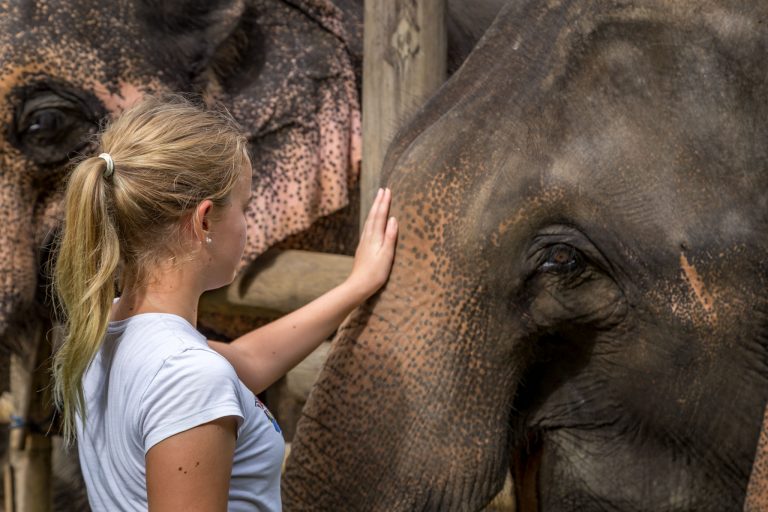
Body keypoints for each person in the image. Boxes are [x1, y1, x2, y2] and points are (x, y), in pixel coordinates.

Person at [51, 95, 398, 511]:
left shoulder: (106, 331)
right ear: (203, 221)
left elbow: (246, 360)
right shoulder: (189, 374)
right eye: (244, 207)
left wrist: (357, 285)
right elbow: (203, 376)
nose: (247, 225)